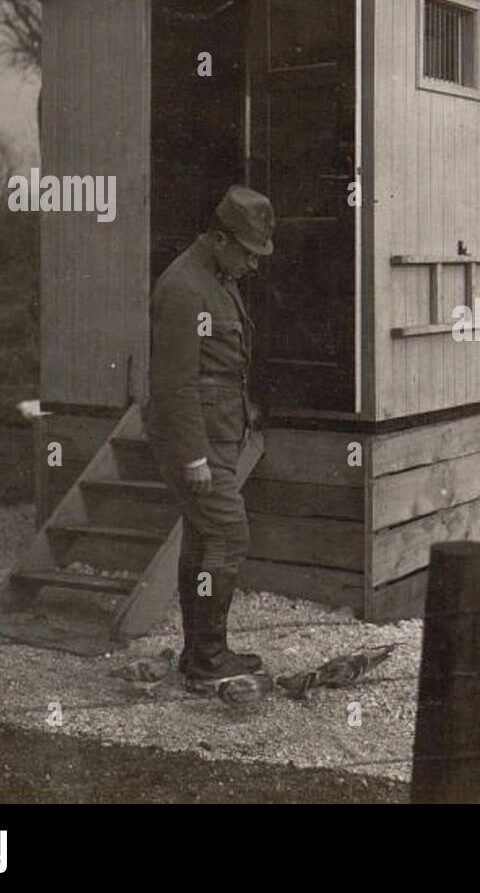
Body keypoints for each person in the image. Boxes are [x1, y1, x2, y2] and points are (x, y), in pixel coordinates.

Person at [143, 184, 274, 691]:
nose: (254, 264)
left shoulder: (215, 277)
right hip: (194, 441)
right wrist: (193, 456)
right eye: (249, 252)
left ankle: (202, 653)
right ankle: (207, 661)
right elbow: (174, 383)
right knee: (227, 534)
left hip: (217, 434)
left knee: (204, 537)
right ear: (220, 239)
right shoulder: (184, 289)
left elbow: (218, 366)